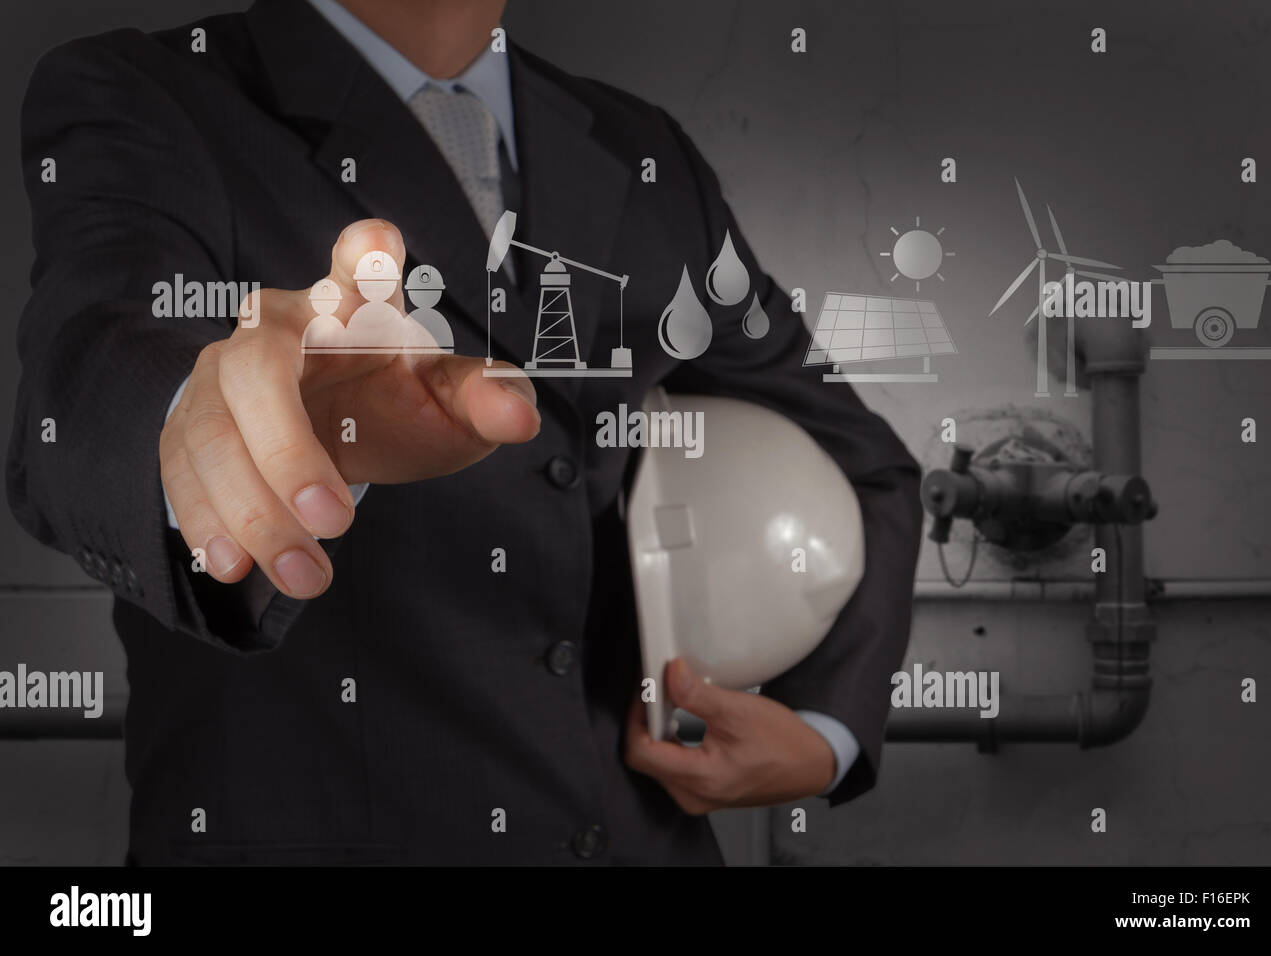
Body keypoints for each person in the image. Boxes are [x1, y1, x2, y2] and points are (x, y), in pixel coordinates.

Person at [8, 0, 922, 865]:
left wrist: (826, 733)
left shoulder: (643, 149)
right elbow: (89, 375)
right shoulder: (155, 93)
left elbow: (864, 458)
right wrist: (203, 433)